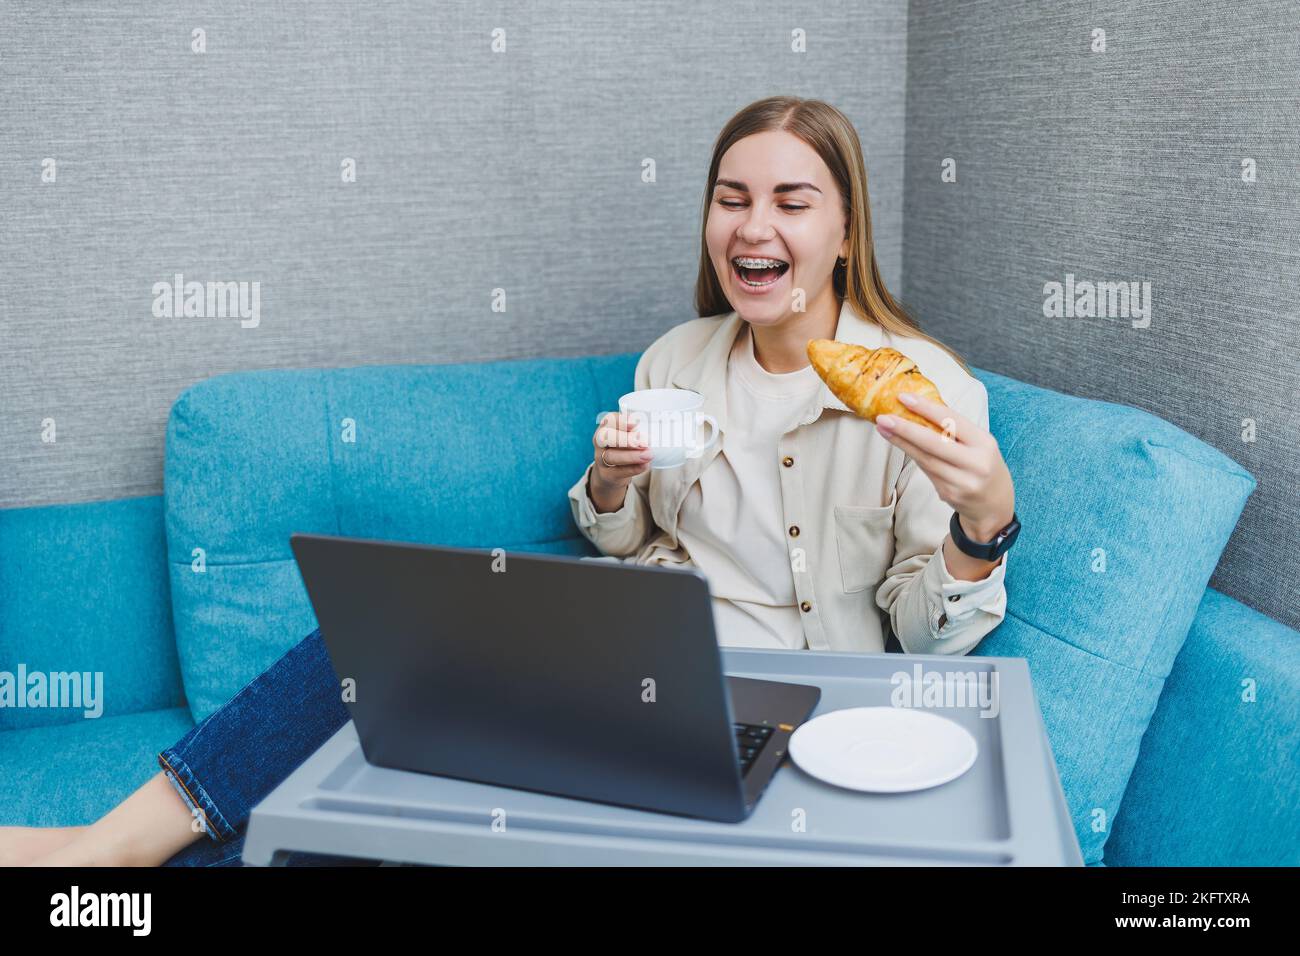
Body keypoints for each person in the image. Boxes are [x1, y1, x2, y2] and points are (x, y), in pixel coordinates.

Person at [0, 95, 1016, 867]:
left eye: (792, 203)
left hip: (785, 713)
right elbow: (627, 541)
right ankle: (105, 850)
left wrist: (983, 521)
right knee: (377, 657)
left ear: (845, 231)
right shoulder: (677, 359)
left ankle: (96, 869)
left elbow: (922, 637)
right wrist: (610, 490)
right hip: (625, 666)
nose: (754, 228)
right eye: (731, 199)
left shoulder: (923, 394)